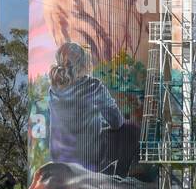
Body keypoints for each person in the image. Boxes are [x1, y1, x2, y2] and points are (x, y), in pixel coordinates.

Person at [48, 41, 138, 176]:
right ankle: (118, 177)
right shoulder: (93, 86)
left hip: (59, 159)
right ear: (82, 64)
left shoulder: (53, 90)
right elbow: (116, 121)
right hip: (88, 160)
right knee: (132, 130)